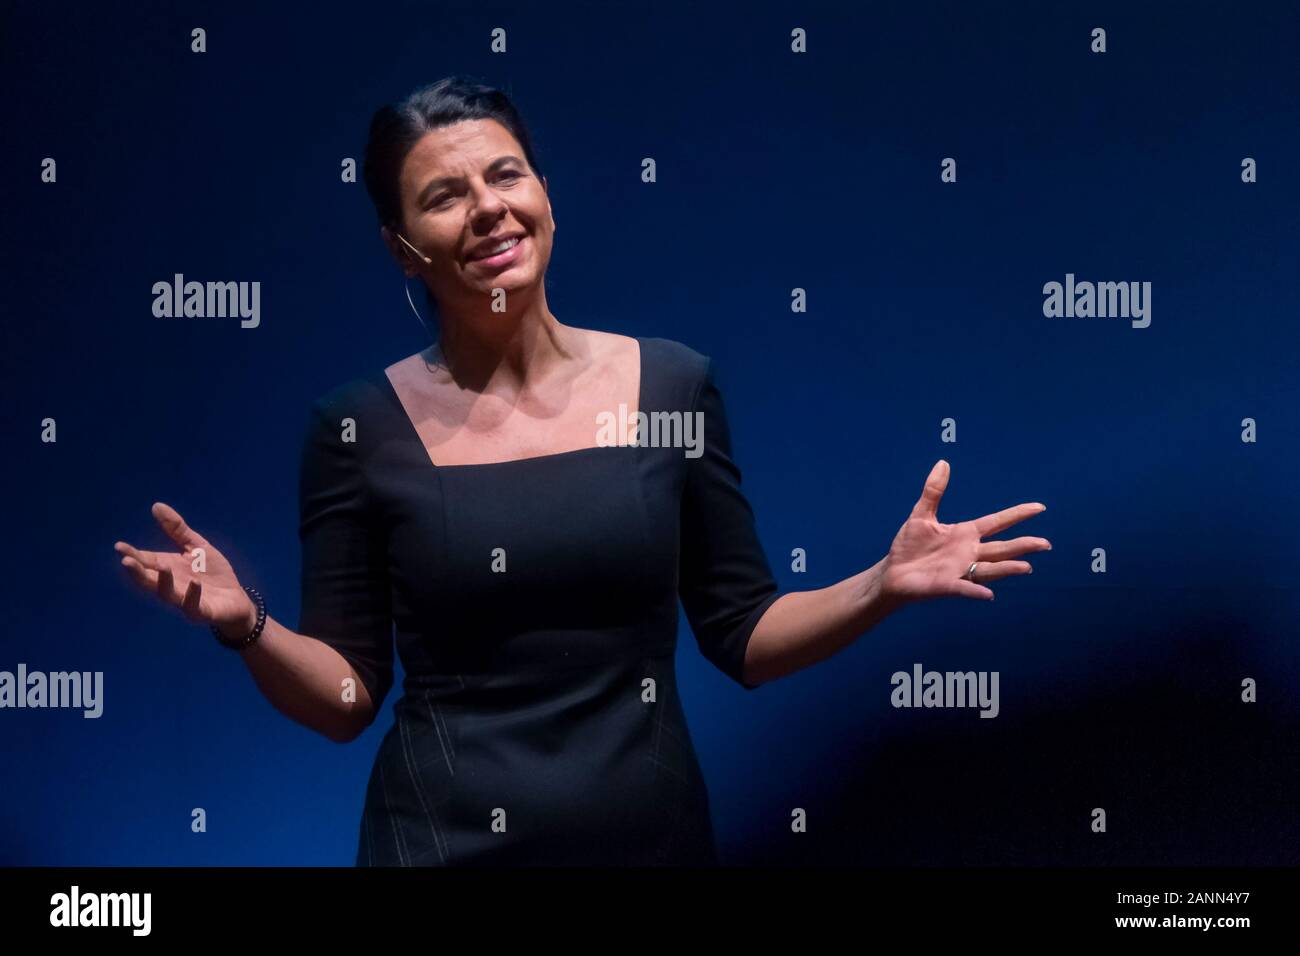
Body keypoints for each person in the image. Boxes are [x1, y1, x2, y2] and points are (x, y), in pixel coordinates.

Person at [113, 76, 1052, 866]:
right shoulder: (357, 427)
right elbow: (348, 700)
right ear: (403, 247)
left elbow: (743, 634)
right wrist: (248, 628)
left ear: (546, 197)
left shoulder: (674, 382)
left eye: (505, 174)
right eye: (443, 195)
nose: (486, 205)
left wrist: (881, 586)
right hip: (439, 849)